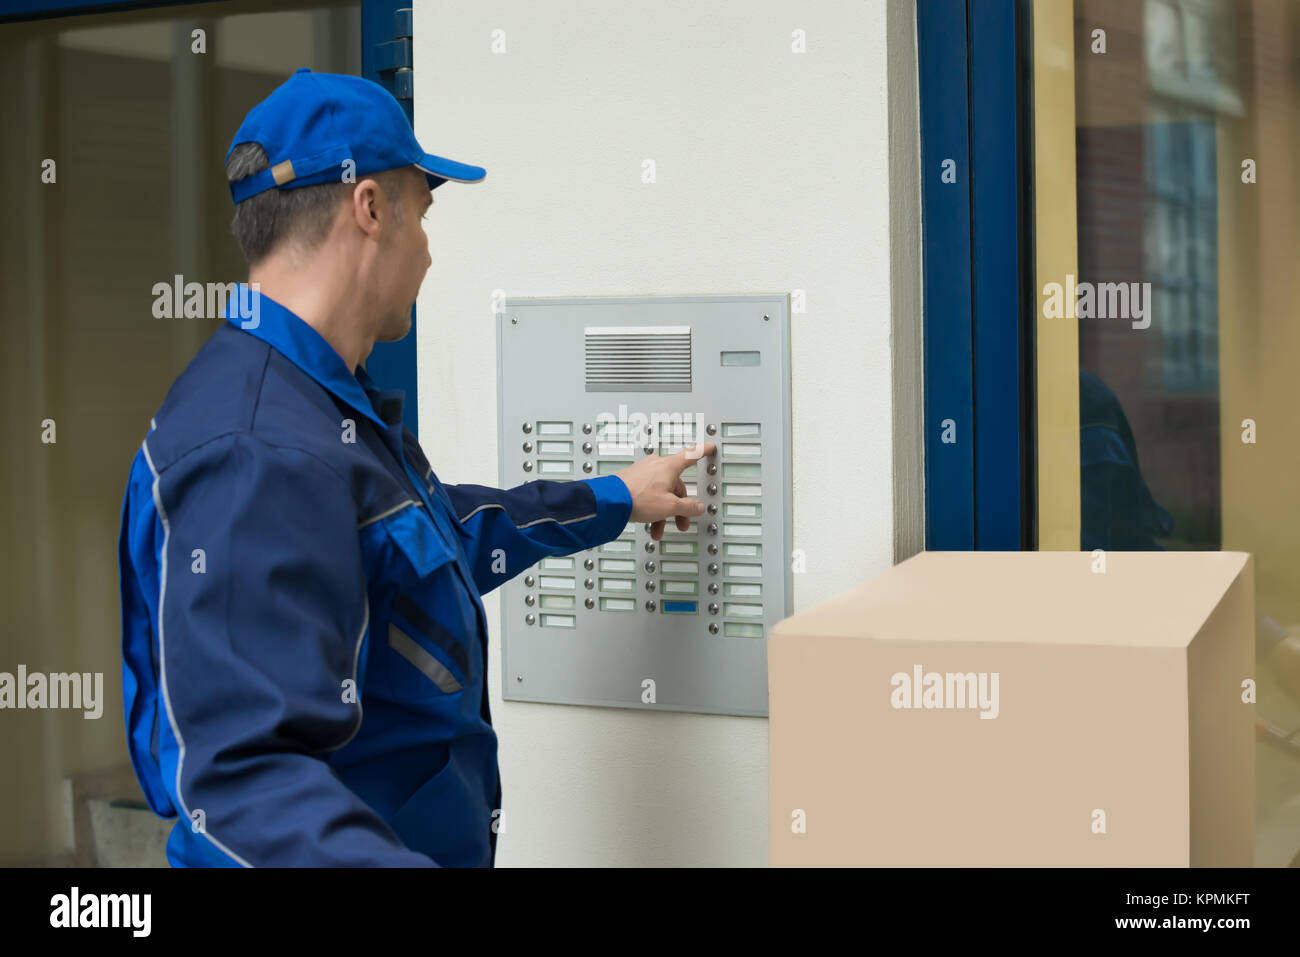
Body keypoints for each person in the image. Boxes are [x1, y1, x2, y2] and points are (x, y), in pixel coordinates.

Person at [117, 69, 711, 867]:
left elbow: (431, 548)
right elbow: (244, 791)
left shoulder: (321, 407)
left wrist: (613, 498)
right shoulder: (255, 450)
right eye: (423, 215)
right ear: (369, 209)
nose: (428, 253)